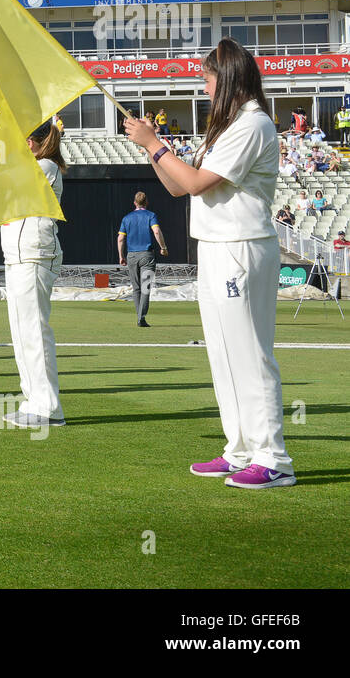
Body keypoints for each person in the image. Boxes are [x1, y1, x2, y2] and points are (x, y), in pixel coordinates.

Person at [126, 37, 294, 488]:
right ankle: (239, 449)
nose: (203, 88)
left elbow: (197, 183)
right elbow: (180, 187)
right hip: (218, 245)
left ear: (229, 79)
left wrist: (155, 142)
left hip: (242, 245)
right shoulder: (228, 127)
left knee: (249, 352)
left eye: (207, 79)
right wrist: (150, 149)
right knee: (222, 353)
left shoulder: (252, 124)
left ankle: (273, 457)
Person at [0, 119, 66, 428]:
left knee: (35, 332)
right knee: (21, 332)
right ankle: (33, 400)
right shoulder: (32, 166)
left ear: (32, 143)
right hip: (17, 256)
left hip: (35, 255)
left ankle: (48, 406)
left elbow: (16, 184)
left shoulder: (47, 166)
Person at [118, 191, 170, 327]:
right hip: (147, 256)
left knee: (136, 288)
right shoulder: (151, 216)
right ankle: (141, 317)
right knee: (145, 288)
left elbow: (120, 239)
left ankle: (139, 315)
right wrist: (163, 247)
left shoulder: (126, 218)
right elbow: (157, 231)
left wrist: (121, 256)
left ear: (134, 203)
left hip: (132, 256)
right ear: (146, 202)